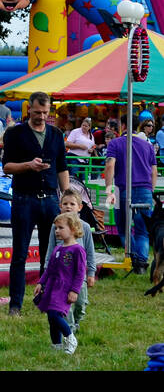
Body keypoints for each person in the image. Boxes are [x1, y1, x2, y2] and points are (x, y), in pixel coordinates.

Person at [1, 91, 69, 314]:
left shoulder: (56, 135)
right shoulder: (15, 133)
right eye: (37, 112)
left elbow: (62, 168)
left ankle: (46, 299)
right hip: (24, 199)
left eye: (46, 113)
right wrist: (28, 165)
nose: (41, 116)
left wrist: (66, 197)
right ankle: (15, 304)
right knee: (19, 252)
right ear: (28, 108)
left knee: (48, 253)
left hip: (49, 199)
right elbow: (7, 167)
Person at [104, 112, 158, 273]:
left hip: (122, 188)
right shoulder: (148, 145)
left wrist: (109, 190)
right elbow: (153, 171)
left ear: (123, 126)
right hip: (145, 190)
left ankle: (134, 258)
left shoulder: (115, 143)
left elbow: (110, 165)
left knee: (123, 228)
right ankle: (141, 262)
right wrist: (151, 190)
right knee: (142, 229)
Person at [34, 212, 87, 355]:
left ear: (73, 229)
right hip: (52, 287)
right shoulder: (58, 249)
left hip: (65, 289)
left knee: (54, 314)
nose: (57, 231)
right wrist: (41, 283)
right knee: (51, 318)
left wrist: (75, 290)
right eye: (56, 228)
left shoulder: (77, 250)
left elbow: (80, 273)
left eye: (61, 228)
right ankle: (56, 345)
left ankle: (70, 337)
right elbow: (49, 269)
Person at [45, 189, 95, 332]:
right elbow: (50, 250)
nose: (68, 206)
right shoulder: (56, 227)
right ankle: (70, 330)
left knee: (80, 303)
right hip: (60, 276)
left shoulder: (84, 227)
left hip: (79, 276)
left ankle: (77, 321)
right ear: (60, 206)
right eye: (65, 203)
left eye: (72, 204)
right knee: (64, 304)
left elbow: (90, 252)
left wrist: (91, 273)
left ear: (80, 207)